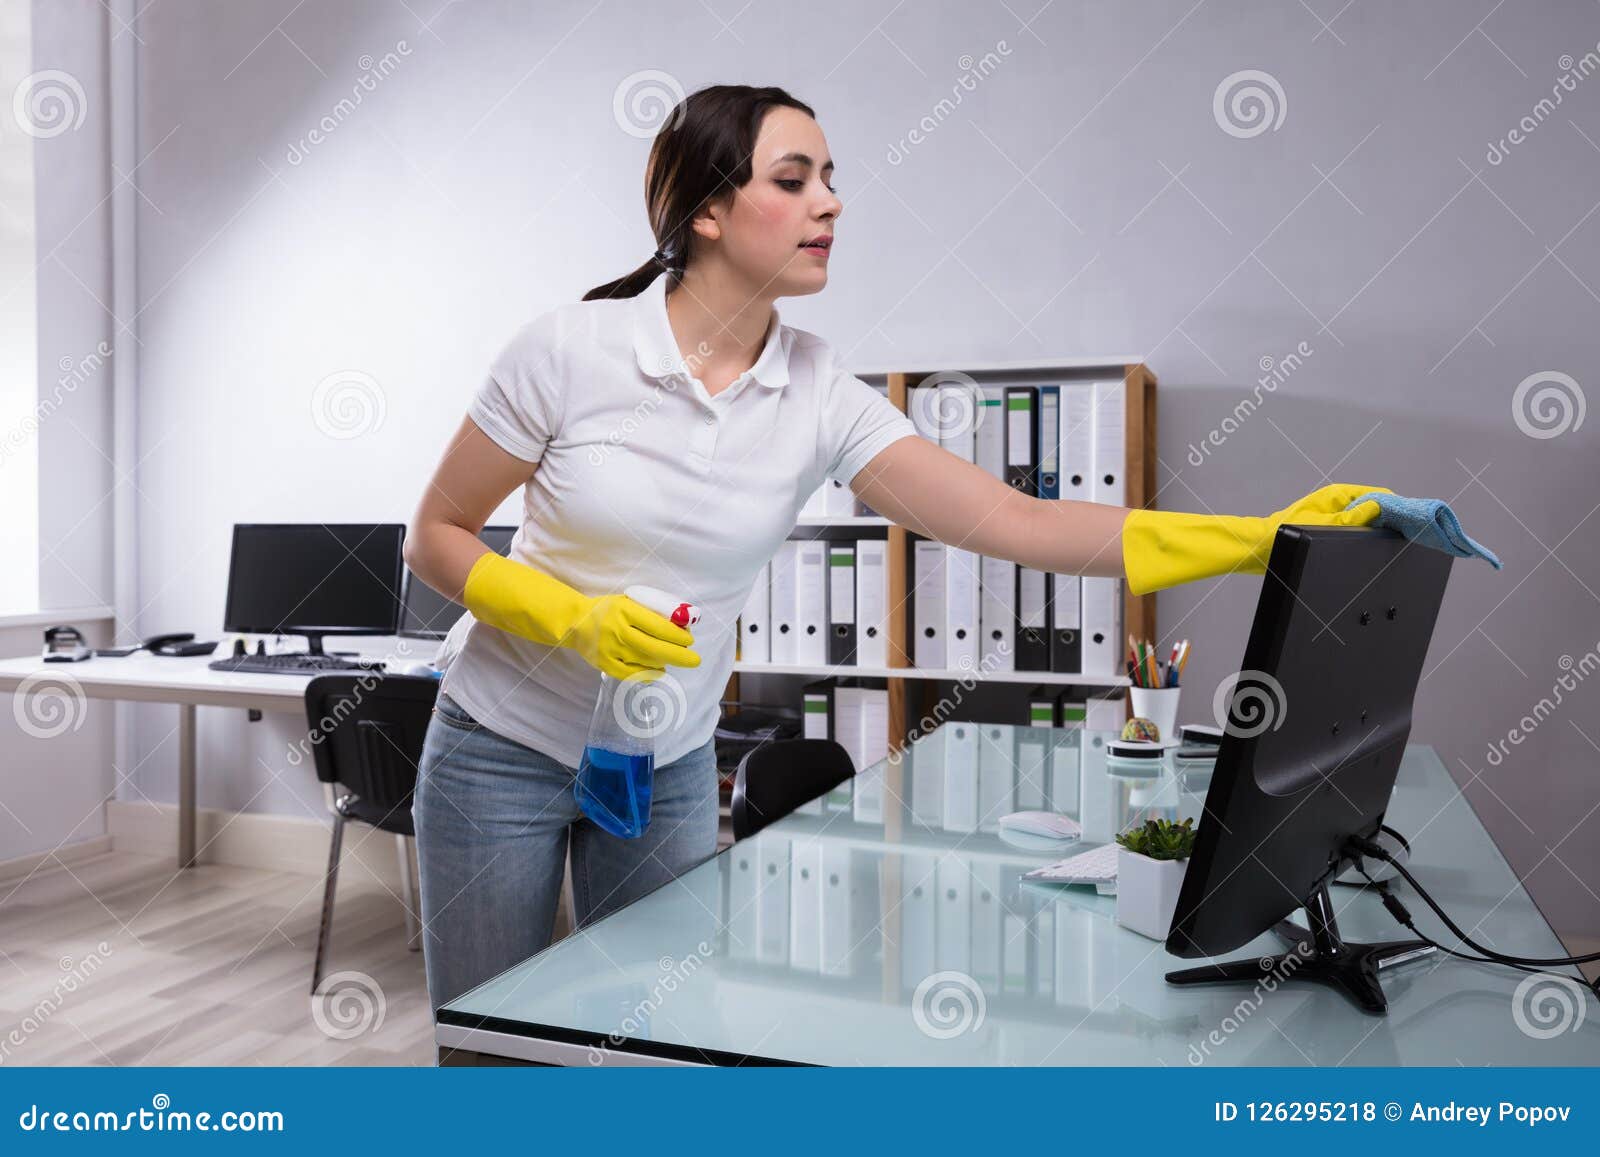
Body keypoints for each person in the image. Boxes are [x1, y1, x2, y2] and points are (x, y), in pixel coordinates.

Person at [403, 83, 1389, 1015]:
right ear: (706, 209)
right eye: (793, 180)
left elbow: (1019, 521)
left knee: (642, 1045)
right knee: (494, 1047)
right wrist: (567, 615)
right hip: (501, 747)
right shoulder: (570, 351)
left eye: (829, 177)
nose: (829, 201)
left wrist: (1260, 539)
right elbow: (434, 535)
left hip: (666, 761)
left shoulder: (818, 388)